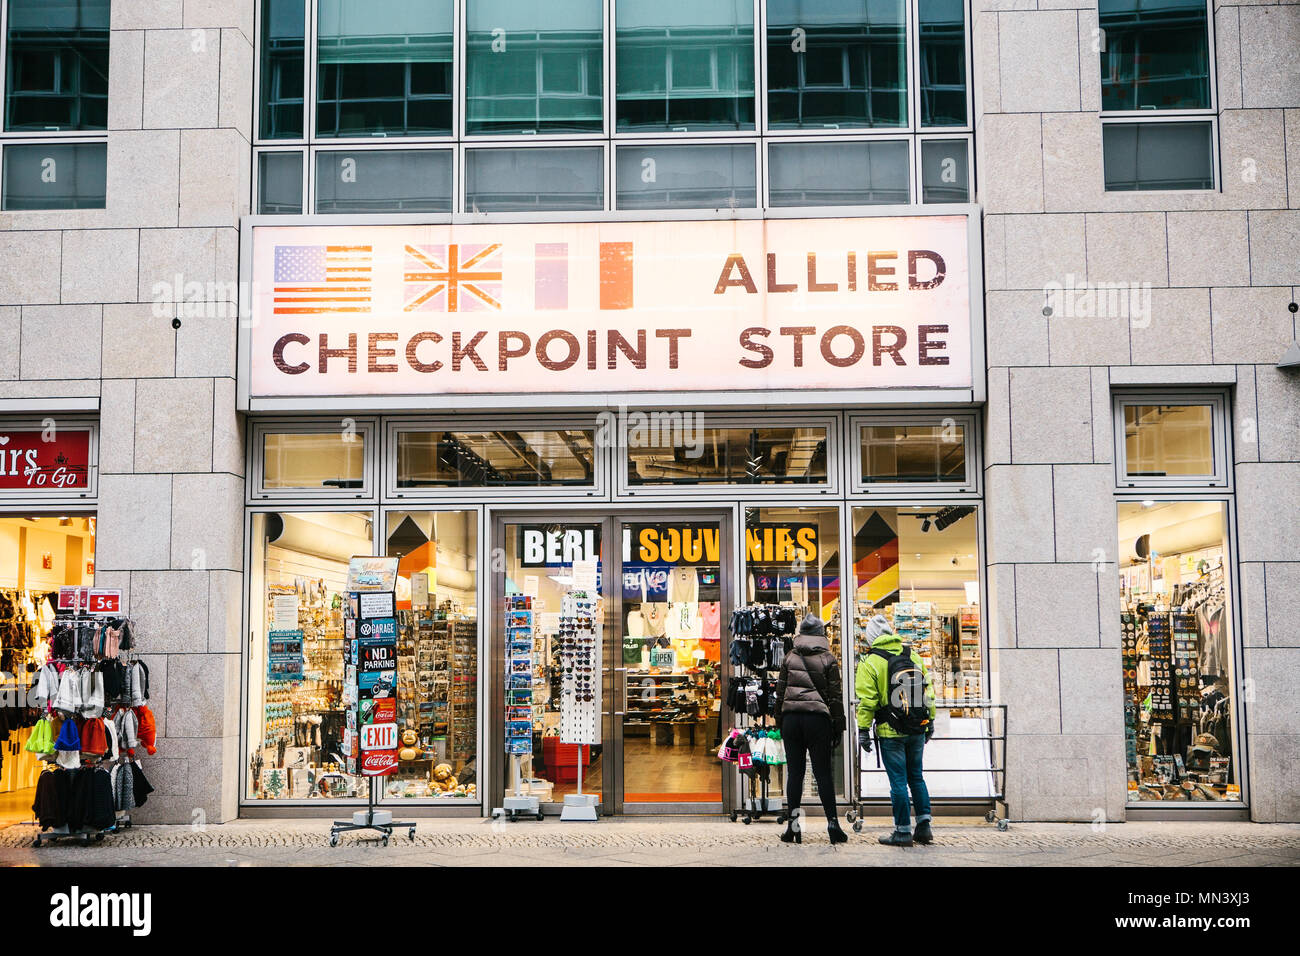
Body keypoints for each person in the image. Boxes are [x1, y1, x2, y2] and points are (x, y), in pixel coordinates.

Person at [855, 613, 936, 847]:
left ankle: (902, 831)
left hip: (890, 731)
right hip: (917, 728)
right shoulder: (912, 655)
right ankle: (924, 826)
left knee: (898, 782)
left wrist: (863, 729)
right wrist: (930, 721)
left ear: (871, 638)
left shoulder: (870, 662)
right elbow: (928, 691)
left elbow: (867, 701)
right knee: (917, 777)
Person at [775, 613, 848, 845]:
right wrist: (838, 725)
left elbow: (780, 692)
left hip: (792, 720)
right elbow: (835, 696)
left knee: (795, 774)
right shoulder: (828, 659)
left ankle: (793, 828)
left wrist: (779, 719)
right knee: (823, 773)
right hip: (818, 720)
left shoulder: (789, 657)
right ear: (820, 634)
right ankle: (833, 824)